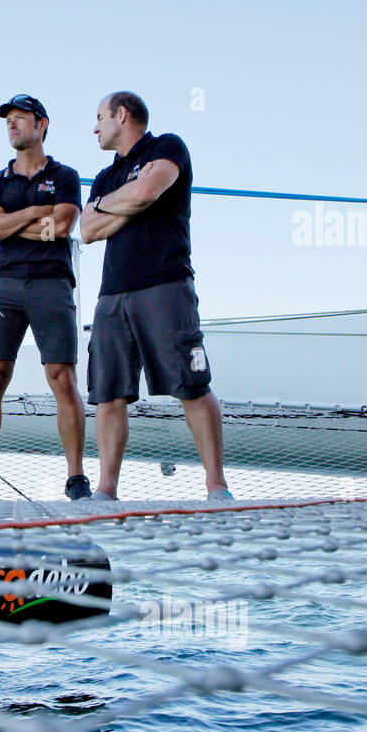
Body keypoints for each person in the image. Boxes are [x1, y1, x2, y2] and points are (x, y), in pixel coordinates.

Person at [78, 91, 231, 502]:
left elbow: (147, 193)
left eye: (99, 117)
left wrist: (115, 204)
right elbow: (87, 230)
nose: (94, 127)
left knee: (191, 385)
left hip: (166, 285)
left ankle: (216, 486)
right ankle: (106, 491)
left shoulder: (167, 146)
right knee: (108, 394)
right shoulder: (106, 176)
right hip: (112, 296)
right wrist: (124, 198)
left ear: (121, 115)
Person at [0, 94, 89, 500]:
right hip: (3, 282)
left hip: (50, 282)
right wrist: (33, 214)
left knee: (62, 377)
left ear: (42, 125)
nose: (12, 126)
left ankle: (75, 478)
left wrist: (5, 220)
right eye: (8, 121)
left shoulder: (66, 175)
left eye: (21, 119)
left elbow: (59, 226)